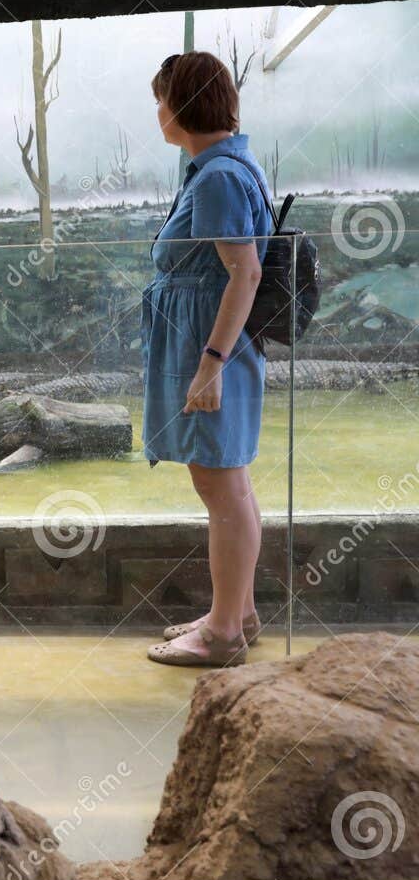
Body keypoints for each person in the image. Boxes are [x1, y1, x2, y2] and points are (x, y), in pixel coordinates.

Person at [141, 52, 271, 669]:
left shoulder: (218, 176)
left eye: (162, 98)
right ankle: (236, 613)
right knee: (228, 484)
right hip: (210, 345)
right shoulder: (219, 167)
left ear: (183, 105)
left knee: (220, 486)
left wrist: (211, 363)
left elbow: (244, 272)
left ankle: (221, 636)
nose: (158, 112)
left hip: (212, 348)